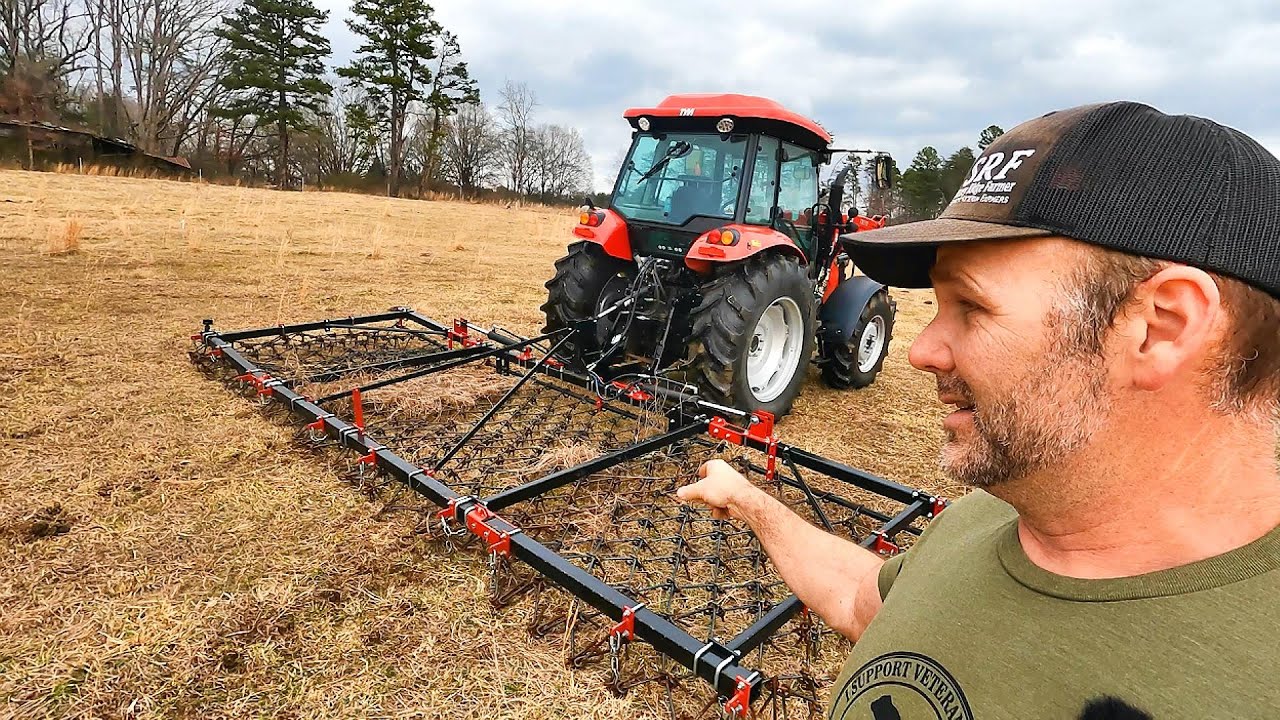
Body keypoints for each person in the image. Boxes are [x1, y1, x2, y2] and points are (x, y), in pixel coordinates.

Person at [676, 101, 1280, 719]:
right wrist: (750, 501)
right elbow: (866, 600)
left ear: (1160, 327)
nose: (920, 350)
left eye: (973, 307)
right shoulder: (987, 520)